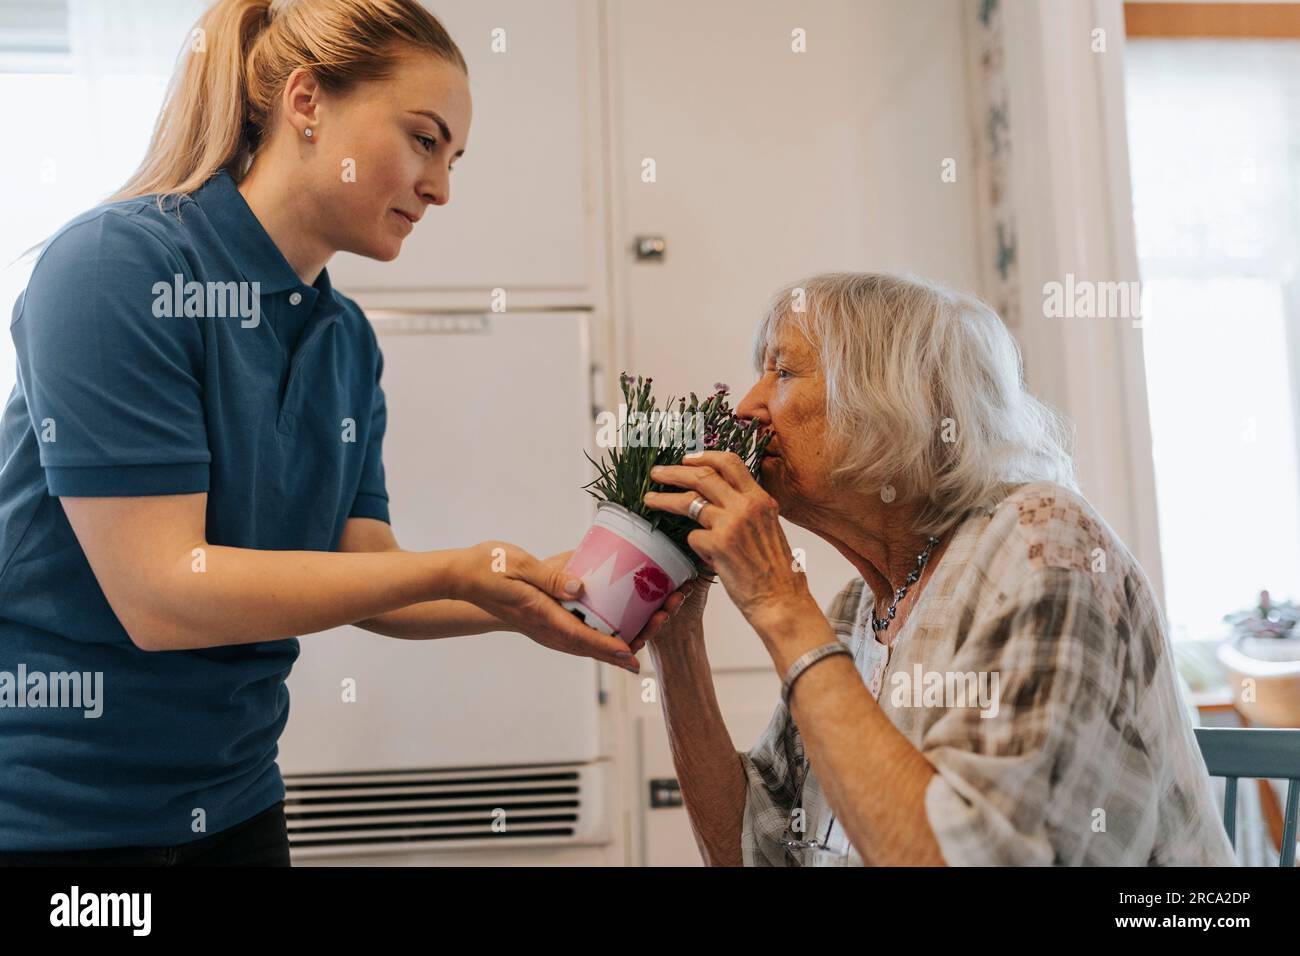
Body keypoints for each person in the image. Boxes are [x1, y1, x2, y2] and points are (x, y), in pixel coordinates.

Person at [0, 0, 639, 865]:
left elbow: (363, 567)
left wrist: (528, 597)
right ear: (306, 102)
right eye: (423, 139)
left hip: (236, 799)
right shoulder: (117, 269)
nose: (441, 186)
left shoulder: (343, 339)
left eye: (453, 158)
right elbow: (158, 594)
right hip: (55, 816)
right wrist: (461, 567)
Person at [635, 271, 1236, 866]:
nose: (747, 406)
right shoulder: (858, 609)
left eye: (784, 372)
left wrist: (779, 602)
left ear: (891, 399)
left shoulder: (1043, 548)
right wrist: (678, 642)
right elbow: (753, 853)